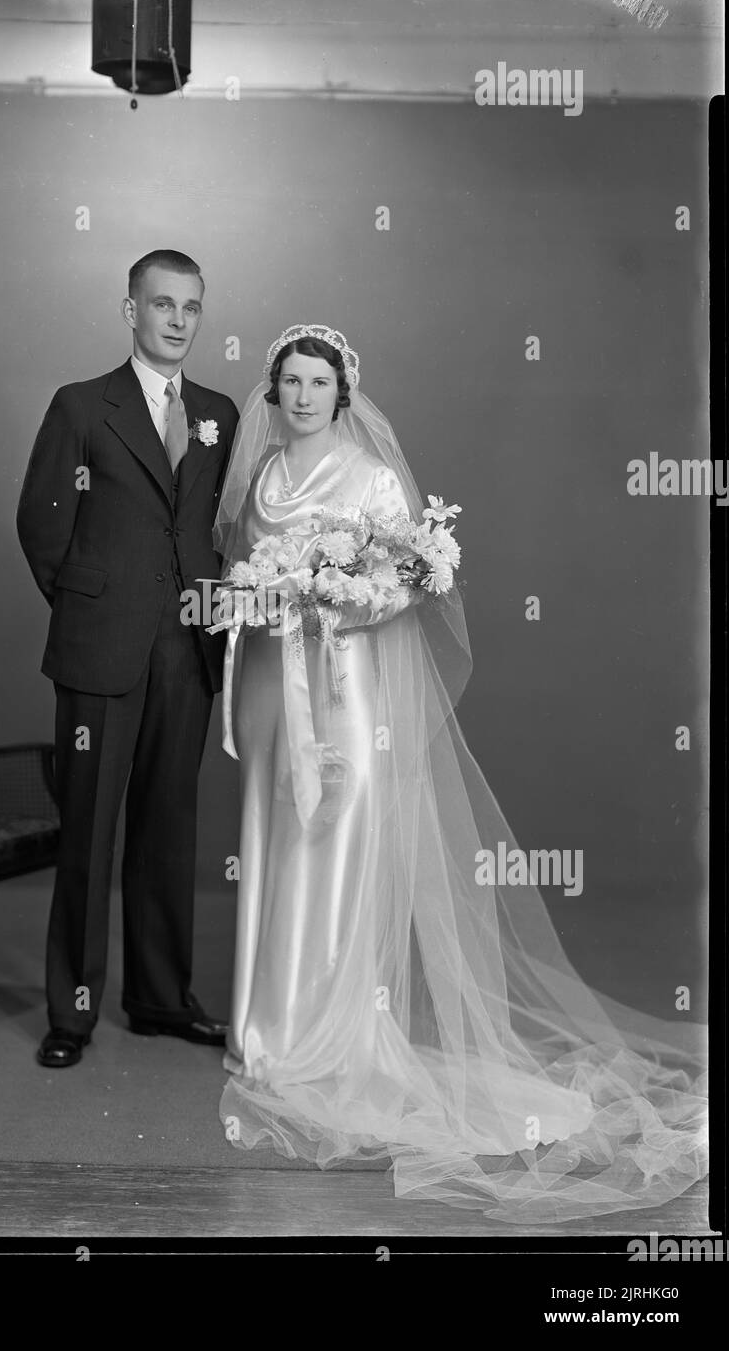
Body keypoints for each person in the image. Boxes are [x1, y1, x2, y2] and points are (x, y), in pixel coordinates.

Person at [210, 324, 708, 1222]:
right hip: (270, 694)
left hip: (347, 695)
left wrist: (335, 599)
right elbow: (241, 577)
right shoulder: (261, 481)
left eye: (319, 381)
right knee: (275, 841)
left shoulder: (371, 480)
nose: (302, 395)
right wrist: (267, 597)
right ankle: (269, 1030)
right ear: (273, 389)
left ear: (343, 392)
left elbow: (406, 584)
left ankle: (336, 1033)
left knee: (341, 843)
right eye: (289, 380)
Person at [16, 249, 238, 1067]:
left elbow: (221, 527)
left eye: (191, 307)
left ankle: (157, 1001)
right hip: (101, 652)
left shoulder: (219, 411)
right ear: (130, 311)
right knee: (90, 836)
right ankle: (72, 1014)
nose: (178, 320)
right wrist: (93, 611)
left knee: (167, 831)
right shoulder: (81, 405)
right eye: (162, 304)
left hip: (188, 653)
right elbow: (42, 525)